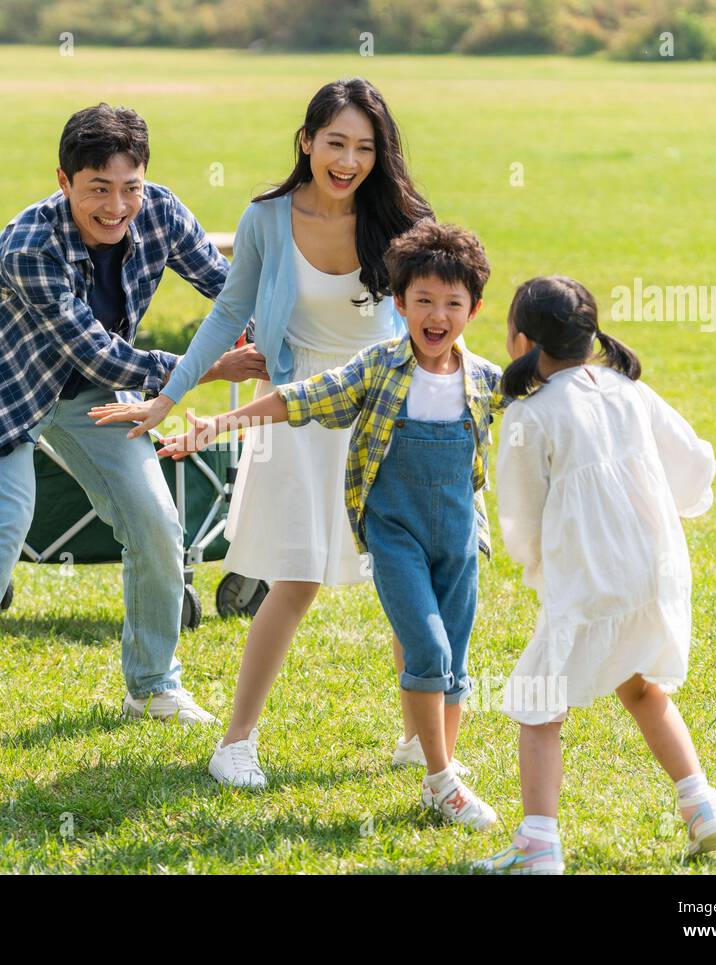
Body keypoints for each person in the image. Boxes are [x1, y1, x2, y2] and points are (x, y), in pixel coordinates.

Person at [89, 79, 447, 788]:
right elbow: (228, 315)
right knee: (297, 580)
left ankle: (420, 737)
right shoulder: (267, 218)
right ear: (307, 141)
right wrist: (169, 395)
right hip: (295, 410)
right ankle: (236, 741)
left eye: (365, 148)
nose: (348, 161)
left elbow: (437, 313)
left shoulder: (402, 219)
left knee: (408, 576)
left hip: (380, 409)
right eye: (336, 143)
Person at [0, 103, 265, 760]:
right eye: (98, 189)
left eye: (131, 186)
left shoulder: (162, 212)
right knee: (4, 521)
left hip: (89, 392)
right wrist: (207, 367)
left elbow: (227, 290)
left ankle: (151, 685)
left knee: (156, 521)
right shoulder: (31, 247)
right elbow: (98, 352)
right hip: (7, 380)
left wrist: (275, 339)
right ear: (64, 180)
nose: (117, 206)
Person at [149, 221, 502, 829]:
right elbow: (303, 397)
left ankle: (430, 750)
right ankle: (441, 783)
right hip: (397, 534)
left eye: (452, 303)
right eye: (422, 301)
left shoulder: (483, 379)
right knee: (426, 642)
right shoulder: (380, 369)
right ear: (398, 304)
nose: (437, 315)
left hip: (460, 536)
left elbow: (545, 401)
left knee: (455, 650)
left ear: (475, 308)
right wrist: (212, 427)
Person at [473, 275, 716, 874]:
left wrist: (537, 562)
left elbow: (520, 514)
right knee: (640, 685)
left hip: (589, 583)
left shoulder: (532, 415)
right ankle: (702, 806)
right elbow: (693, 459)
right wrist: (683, 505)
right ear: (590, 335)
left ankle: (538, 844)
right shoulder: (629, 391)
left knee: (538, 705)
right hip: (655, 572)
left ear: (520, 341)